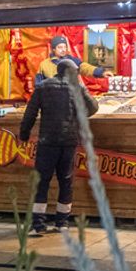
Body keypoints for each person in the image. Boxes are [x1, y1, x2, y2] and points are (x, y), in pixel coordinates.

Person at [19, 60, 99, 236]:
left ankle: (37, 224)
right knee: (66, 181)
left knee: (41, 182)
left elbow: (30, 113)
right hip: (68, 141)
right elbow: (94, 107)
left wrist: (24, 134)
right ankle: (62, 222)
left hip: (47, 141)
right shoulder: (76, 87)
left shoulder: (43, 86)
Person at [36, 35, 110, 86]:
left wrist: (101, 72)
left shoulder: (72, 61)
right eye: (60, 47)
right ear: (54, 49)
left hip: (71, 98)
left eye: (65, 47)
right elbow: (38, 85)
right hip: (52, 100)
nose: (63, 50)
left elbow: (85, 68)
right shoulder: (44, 65)